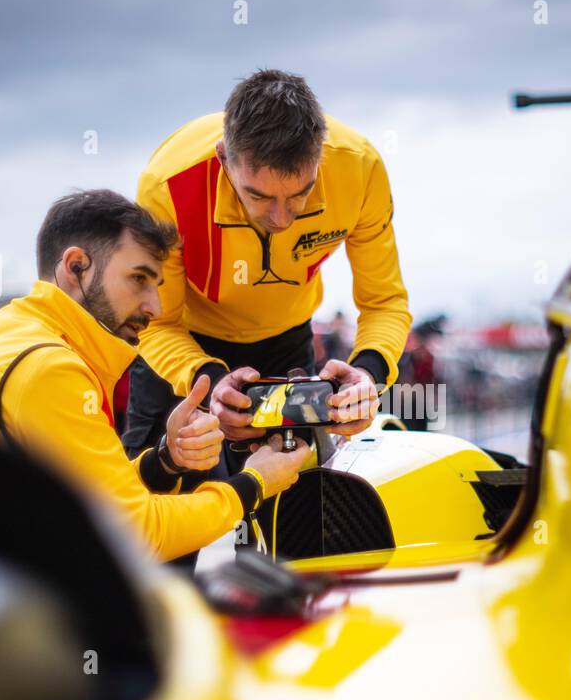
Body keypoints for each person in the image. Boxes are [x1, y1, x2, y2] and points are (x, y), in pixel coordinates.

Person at [0, 189, 308, 563]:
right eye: (139, 279)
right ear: (76, 267)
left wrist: (166, 461)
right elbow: (136, 534)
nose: (155, 306)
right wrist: (255, 482)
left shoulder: (14, 332)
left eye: (156, 286)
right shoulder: (49, 367)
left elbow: (91, 501)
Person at [122, 69, 412, 467]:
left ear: (321, 157)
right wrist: (208, 383)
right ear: (224, 158)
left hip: (284, 339)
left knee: (293, 503)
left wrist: (368, 374)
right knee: (162, 501)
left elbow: (384, 302)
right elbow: (154, 321)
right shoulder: (166, 185)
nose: (280, 219)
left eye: (300, 194)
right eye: (257, 196)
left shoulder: (360, 170)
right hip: (184, 343)